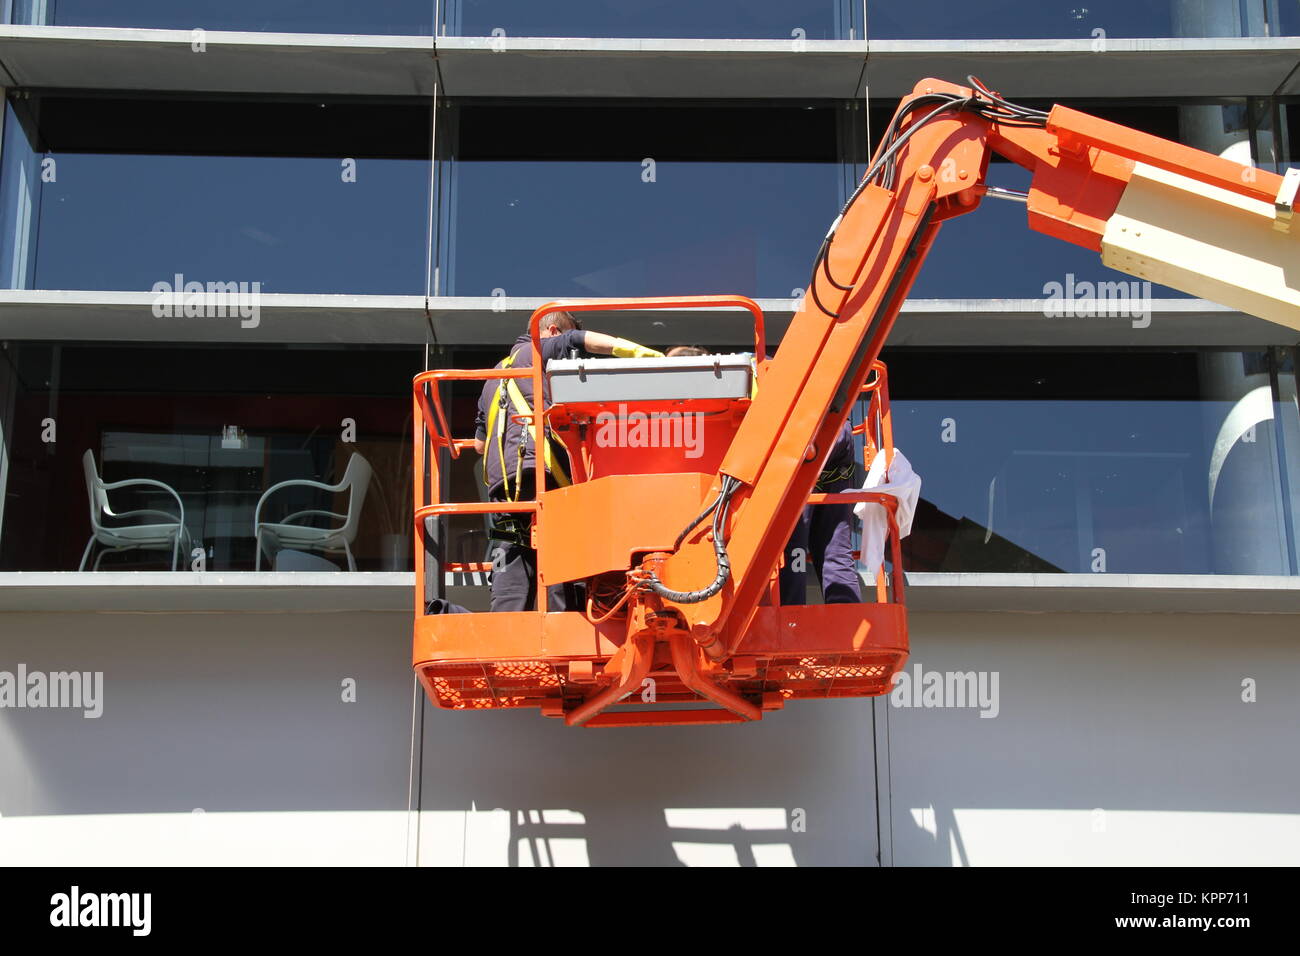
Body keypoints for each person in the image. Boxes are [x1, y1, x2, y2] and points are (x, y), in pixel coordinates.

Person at [474, 311, 663, 612]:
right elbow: (580, 340)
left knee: (510, 548)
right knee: (562, 549)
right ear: (552, 331)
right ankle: (565, 617)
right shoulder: (536, 349)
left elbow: (479, 445)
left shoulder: (493, 375)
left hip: (504, 488)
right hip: (542, 473)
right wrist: (638, 354)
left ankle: (507, 619)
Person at [780, 418, 863, 605]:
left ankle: (792, 622)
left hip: (804, 429)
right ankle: (847, 622)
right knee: (835, 550)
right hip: (835, 430)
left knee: (794, 550)